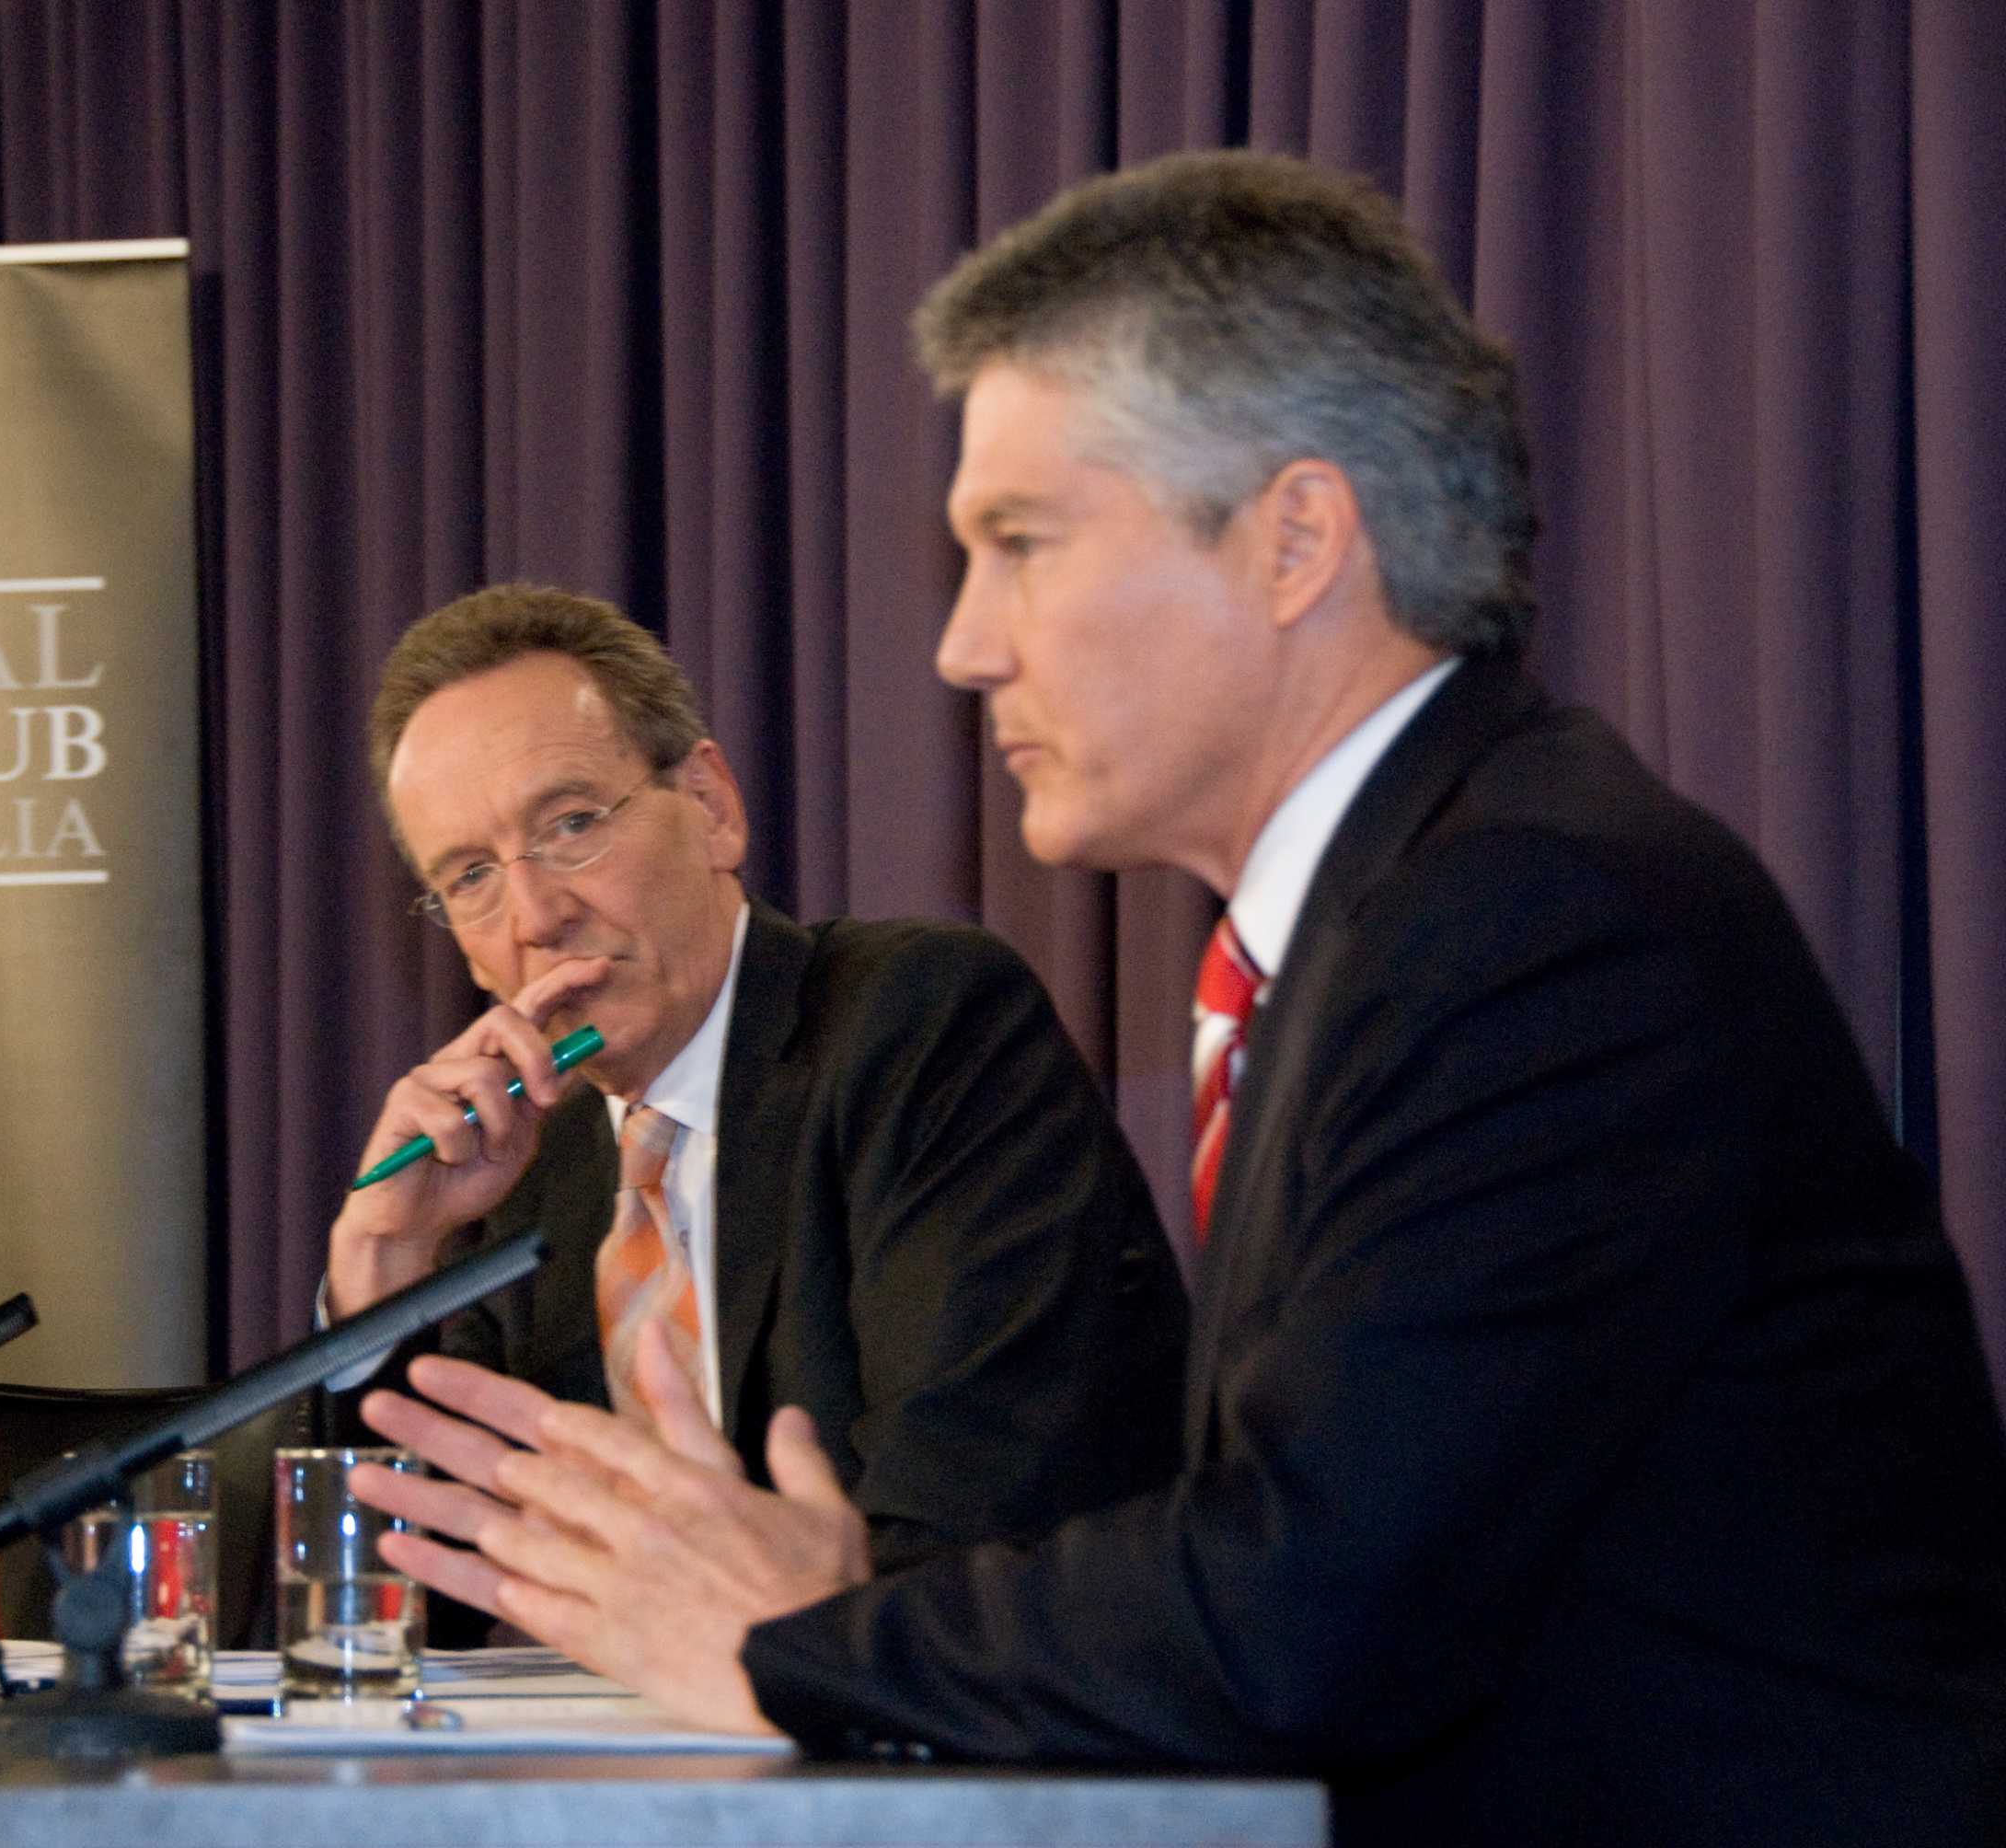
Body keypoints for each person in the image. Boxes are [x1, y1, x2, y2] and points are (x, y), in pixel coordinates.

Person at [352, 152, 2006, 1845]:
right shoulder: (1396, 920)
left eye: (1020, 544)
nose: (964, 645)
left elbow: (1301, 1606)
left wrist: (789, 1636)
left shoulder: (1531, 923)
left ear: (1294, 537)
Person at [328, 583, 1184, 1572]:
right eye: (470, 876)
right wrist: (382, 1271)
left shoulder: (918, 1024)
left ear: (710, 807)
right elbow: (397, 1599)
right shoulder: (507, 1162)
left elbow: (966, 1515)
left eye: (570, 824)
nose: (534, 915)